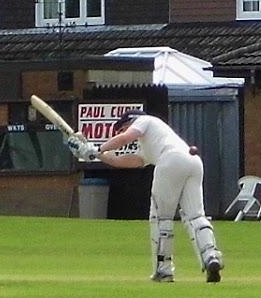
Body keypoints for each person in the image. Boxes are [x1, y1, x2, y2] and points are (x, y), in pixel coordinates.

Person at [72, 110, 224, 283]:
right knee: (195, 216)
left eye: (122, 128)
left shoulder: (144, 120)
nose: (121, 133)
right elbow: (122, 161)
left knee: (161, 218)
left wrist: (98, 148)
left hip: (170, 160)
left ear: (129, 121)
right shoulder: (154, 141)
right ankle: (211, 256)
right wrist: (95, 154)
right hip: (193, 161)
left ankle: (164, 270)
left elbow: (125, 138)